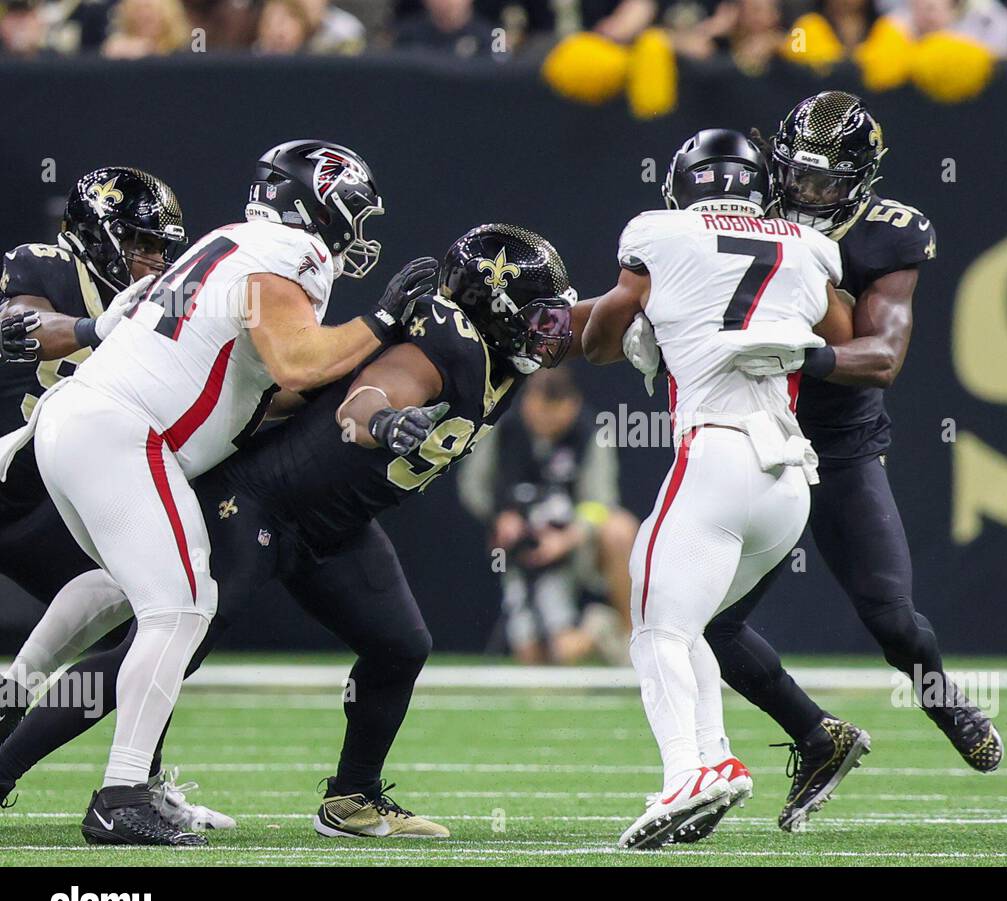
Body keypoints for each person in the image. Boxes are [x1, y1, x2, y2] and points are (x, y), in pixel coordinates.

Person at [0, 224, 575, 839]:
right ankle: (11, 764)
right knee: (168, 635)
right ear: (494, 307)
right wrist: (383, 422)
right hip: (255, 510)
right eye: (541, 321)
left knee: (400, 645)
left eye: (555, 321)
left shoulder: (502, 359)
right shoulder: (445, 344)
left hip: (336, 524)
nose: (554, 337)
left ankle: (352, 798)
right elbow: (366, 400)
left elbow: (593, 329)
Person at [0, 139, 426, 847]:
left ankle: (13, 693)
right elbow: (298, 358)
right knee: (183, 605)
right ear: (318, 203)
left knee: (119, 585)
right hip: (122, 433)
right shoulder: (287, 254)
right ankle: (122, 794)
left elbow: (274, 381)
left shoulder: (229, 242)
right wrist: (381, 322)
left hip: (82, 427)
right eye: (352, 211)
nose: (356, 230)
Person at [696, 92, 1002, 832]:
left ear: (861, 182)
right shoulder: (739, 206)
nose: (808, 196)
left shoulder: (891, 233)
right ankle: (815, 735)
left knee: (892, 618)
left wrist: (801, 346)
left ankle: (946, 703)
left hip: (836, 445)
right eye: (798, 179)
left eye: (828, 184)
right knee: (706, 622)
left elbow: (883, 356)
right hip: (751, 436)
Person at [582, 128, 856, 849]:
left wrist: (646, 325)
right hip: (790, 475)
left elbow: (602, 336)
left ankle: (686, 774)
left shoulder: (658, 230)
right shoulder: (806, 243)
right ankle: (713, 762)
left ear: (685, 183)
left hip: (716, 453)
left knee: (654, 626)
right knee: (691, 624)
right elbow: (842, 332)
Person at [0, 167, 229, 829]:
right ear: (96, 233)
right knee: (168, 610)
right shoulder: (42, 262)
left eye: (162, 247)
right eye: (140, 241)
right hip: (19, 472)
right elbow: (19, 322)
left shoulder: (158, 297)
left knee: (156, 615)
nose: (154, 259)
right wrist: (92, 330)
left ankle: (125, 777)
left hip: (50, 494)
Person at [456, 367, 637, 664]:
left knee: (619, 528)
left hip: (576, 548)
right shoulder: (503, 430)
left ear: (572, 405)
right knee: (536, 663)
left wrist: (567, 538)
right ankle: (597, 634)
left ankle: (631, 639)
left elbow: (601, 502)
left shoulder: (590, 433)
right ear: (527, 402)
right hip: (525, 552)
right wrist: (500, 517)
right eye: (539, 412)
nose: (546, 422)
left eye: (555, 414)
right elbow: (473, 486)